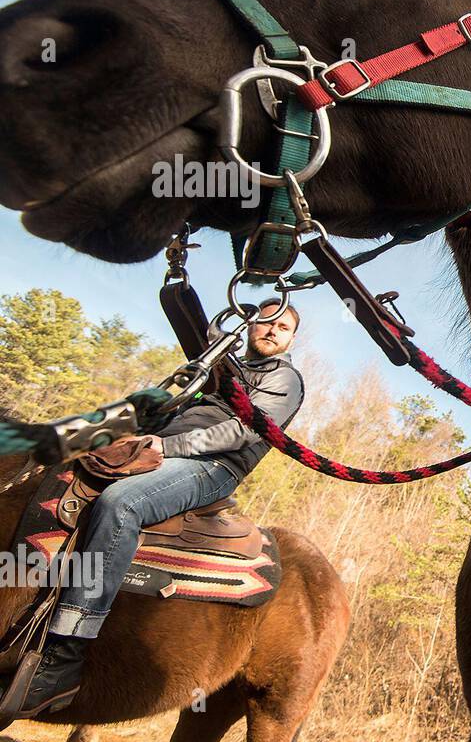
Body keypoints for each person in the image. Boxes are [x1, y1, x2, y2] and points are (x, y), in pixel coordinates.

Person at [5, 298, 305, 719]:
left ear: (292, 338)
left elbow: (241, 432)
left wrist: (166, 446)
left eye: (284, 327)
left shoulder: (285, 379)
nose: (272, 330)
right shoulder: (219, 367)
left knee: (122, 503)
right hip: (159, 451)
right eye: (265, 322)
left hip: (211, 466)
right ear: (249, 327)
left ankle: (64, 656)